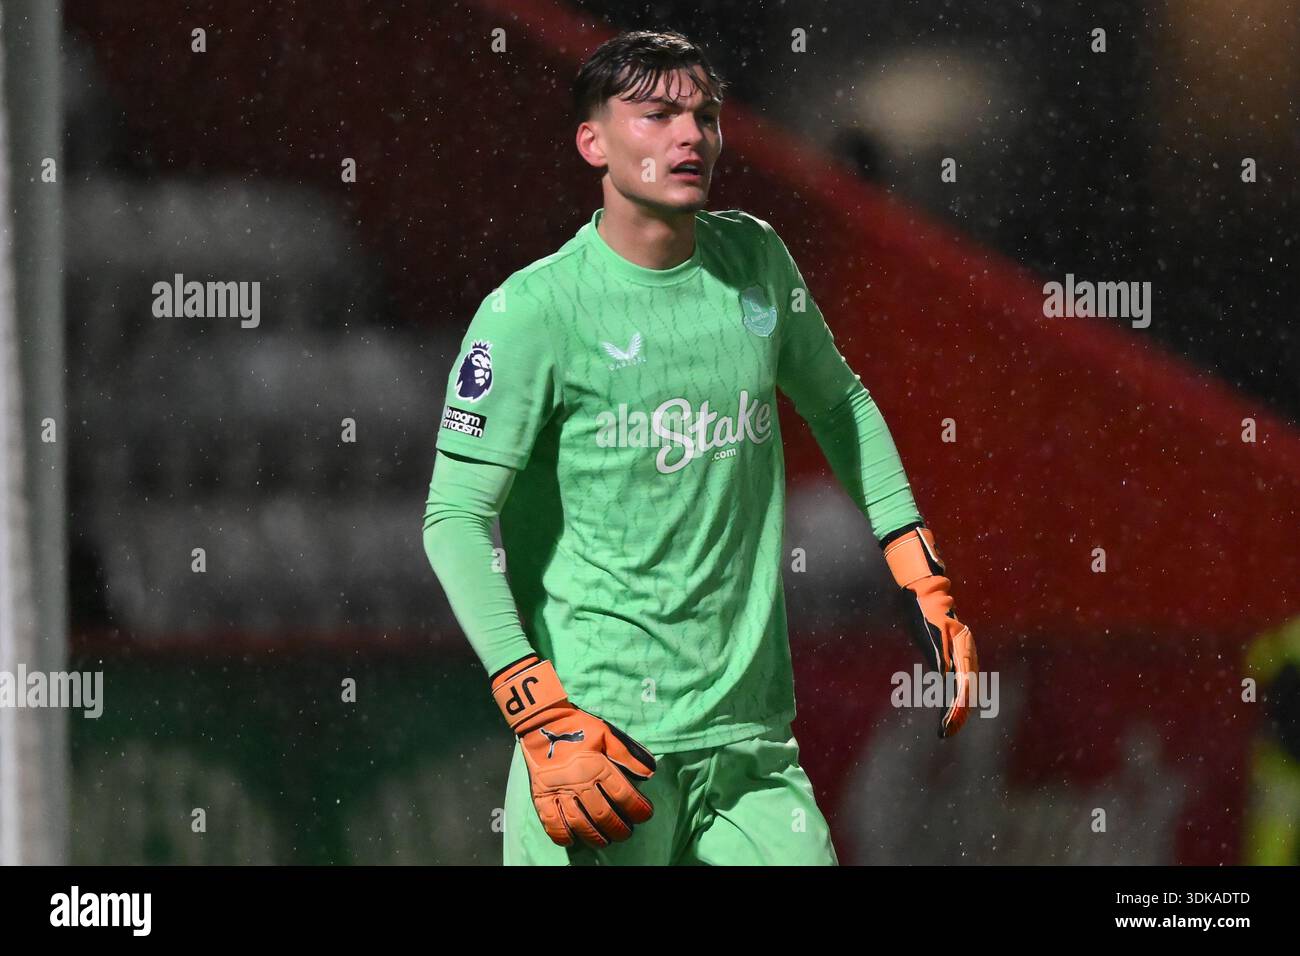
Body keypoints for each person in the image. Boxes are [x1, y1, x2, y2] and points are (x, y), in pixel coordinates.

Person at [423, 29, 978, 866]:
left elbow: (842, 403)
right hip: (599, 749)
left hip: (753, 753)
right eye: (656, 115)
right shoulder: (530, 314)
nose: (691, 136)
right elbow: (454, 516)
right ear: (592, 142)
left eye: (705, 115)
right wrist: (533, 705)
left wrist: (918, 569)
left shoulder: (757, 259)